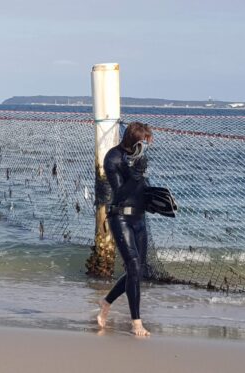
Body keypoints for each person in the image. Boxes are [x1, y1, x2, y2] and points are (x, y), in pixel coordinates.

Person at [97, 121, 153, 337]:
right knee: (133, 265)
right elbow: (119, 193)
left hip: (139, 217)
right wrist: (136, 174)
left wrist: (154, 199)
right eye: (142, 142)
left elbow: (141, 188)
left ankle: (106, 302)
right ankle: (136, 323)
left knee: (138, 271)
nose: (144, 147)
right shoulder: (113, 158)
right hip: (120, 218)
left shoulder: (138, 158)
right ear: (133, 142)